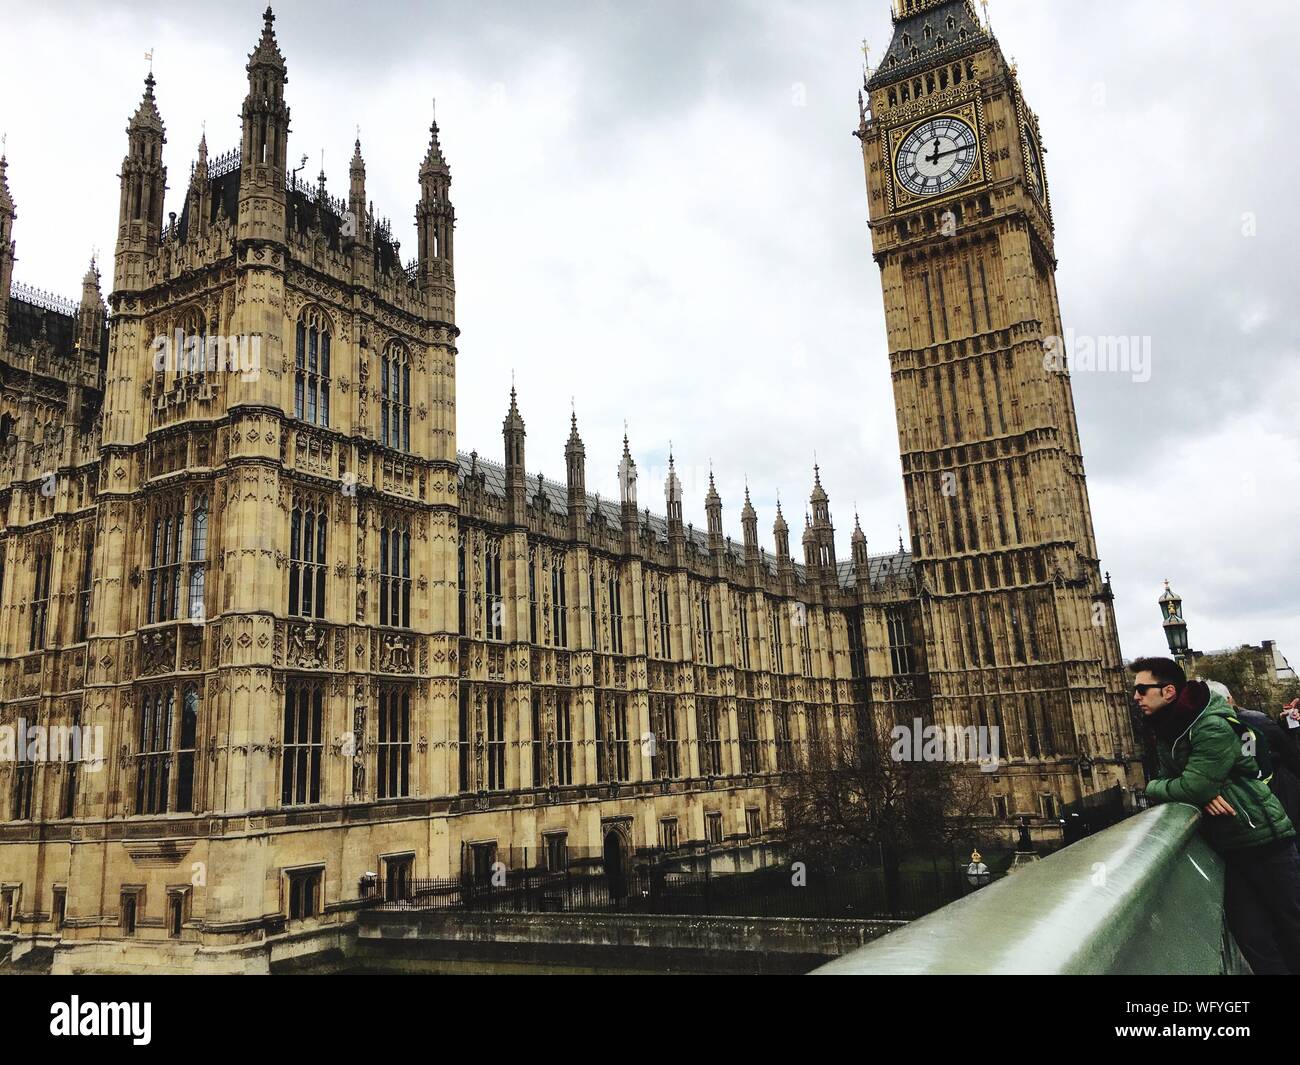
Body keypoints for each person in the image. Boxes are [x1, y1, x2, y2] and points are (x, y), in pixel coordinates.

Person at [1133, 656, 1300, 974]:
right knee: (1255, 940)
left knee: (1292, 927)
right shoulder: (1169, 730)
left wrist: (1164, 787)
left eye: (1142, 689)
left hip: (1262, 839)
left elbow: (1191, 785)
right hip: (1226, 847)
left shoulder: (1209, 725)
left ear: (1168, 691)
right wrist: (1192, 789)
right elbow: (1190, 786)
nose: (1136, 697)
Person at [1204, 680, 1300, 830]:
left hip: (1243, 809)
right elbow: (1289, 752)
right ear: (1229, 699)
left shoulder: (1205, 732)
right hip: (1280, 792)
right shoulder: (1255, 720)